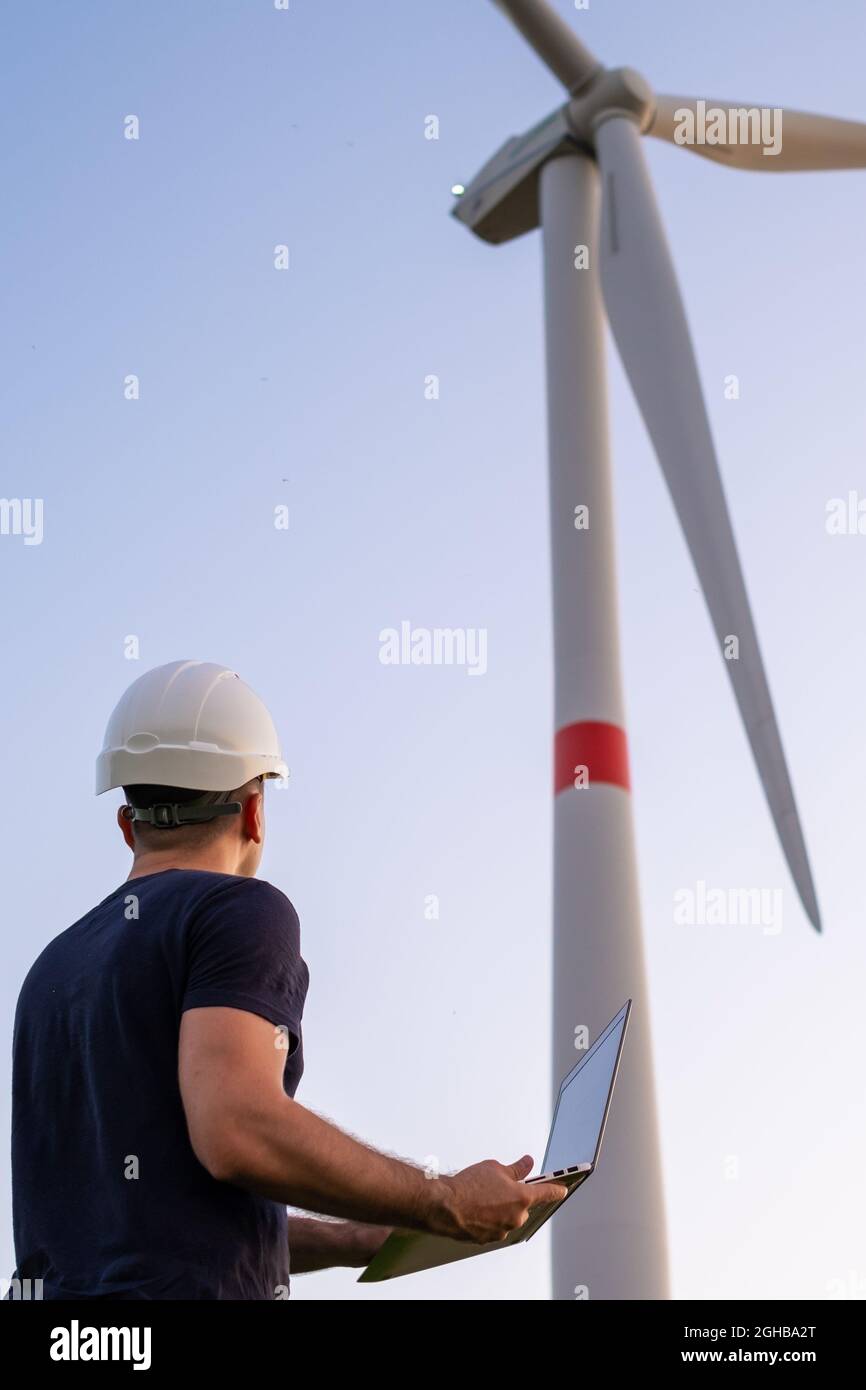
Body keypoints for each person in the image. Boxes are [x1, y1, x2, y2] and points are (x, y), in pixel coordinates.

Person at [10, 660, 565, 1299]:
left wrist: (370, 1231)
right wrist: (446, 1200)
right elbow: (237, 1129)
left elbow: (158, 1218)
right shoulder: (236, 909)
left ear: (127, 825)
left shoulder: (50, 971)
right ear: (253, 813)